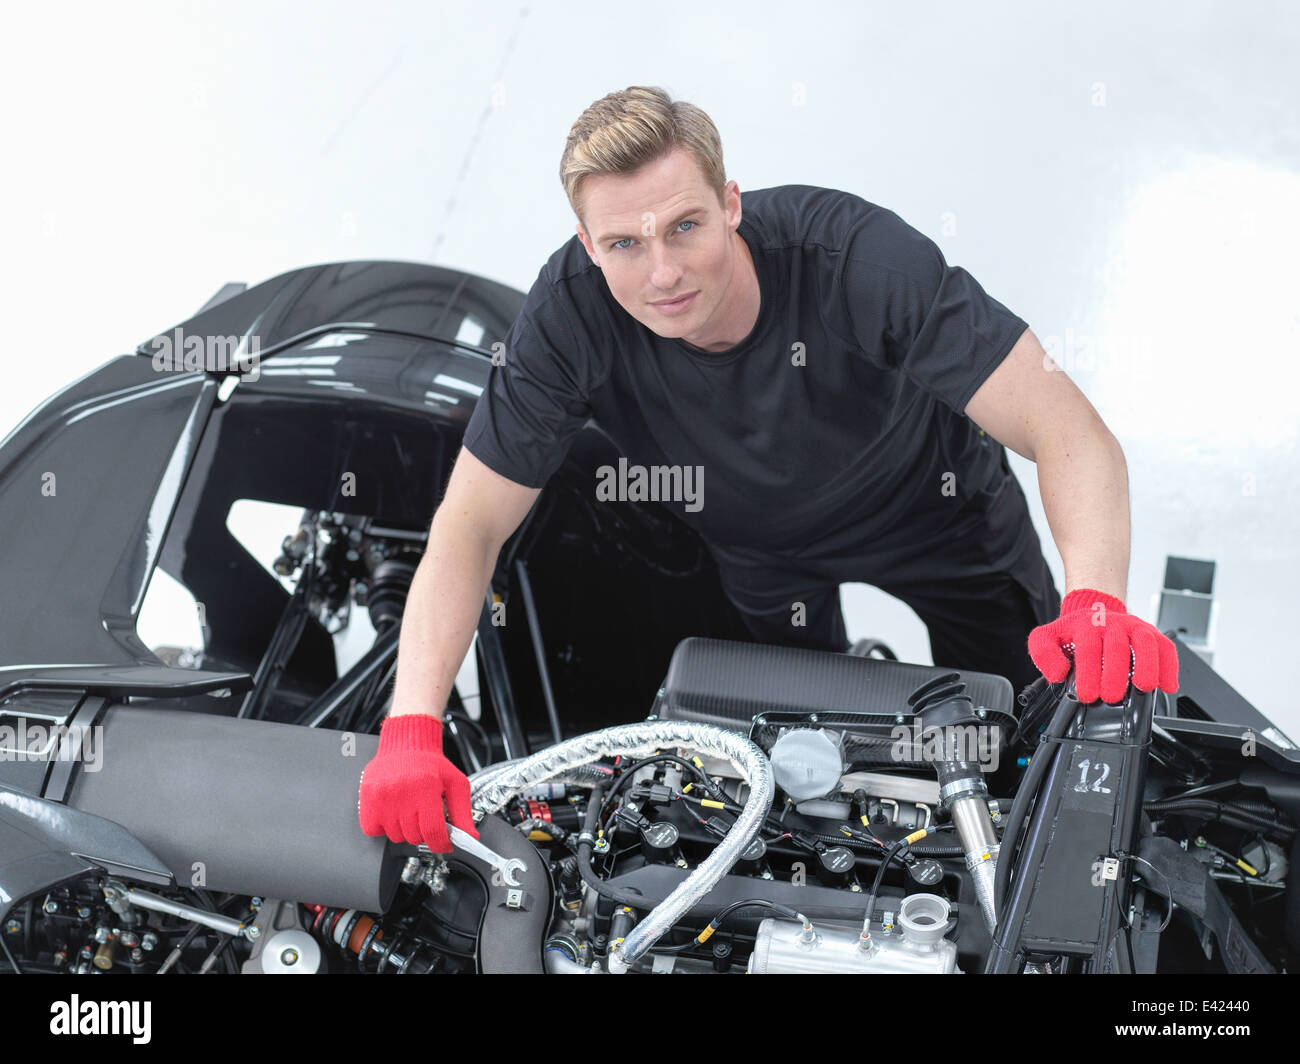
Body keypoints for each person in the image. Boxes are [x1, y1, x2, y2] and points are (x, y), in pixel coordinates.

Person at [358, 85, 1179, 853]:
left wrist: (1098, 600)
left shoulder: (854, 259)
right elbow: (469, 523)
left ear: (731, 204)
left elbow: (1066, 426)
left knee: (1016, 743)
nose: (663, 273)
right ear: (588, 245)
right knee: (803, 775)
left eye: (684, 226)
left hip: (940, 519)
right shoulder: (570, 314)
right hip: (761, 556)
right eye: (624, 244)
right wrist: (411, 727)